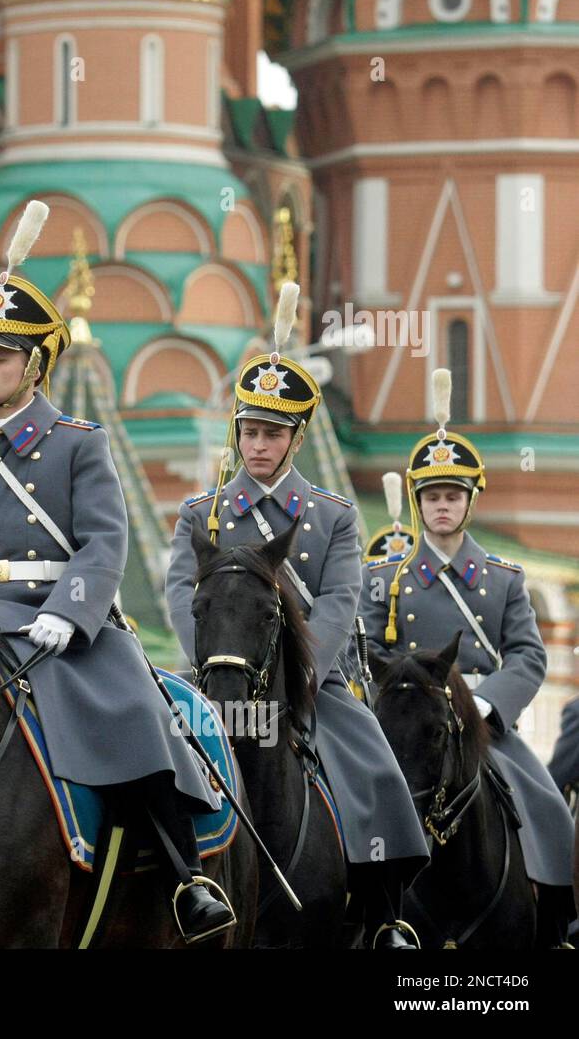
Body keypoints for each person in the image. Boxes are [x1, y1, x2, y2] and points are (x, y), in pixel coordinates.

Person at [0, 201, 235, 944]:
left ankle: (186, 878)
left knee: (139, 716)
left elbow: (104, 544)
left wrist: (71, 610)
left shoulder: (79, 443)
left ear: (35, 363)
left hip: (59, 627)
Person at [164, 284, 429, 949]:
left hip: (304, 680)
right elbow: (178, 591)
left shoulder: (334, 515)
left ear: (296, 436)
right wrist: (210, 655)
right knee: (154, 752)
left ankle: (382, 910)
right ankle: (172, 882)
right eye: (249, 431)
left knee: (374, 765)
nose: (258, 445)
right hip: (219, 671)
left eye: (272, 432)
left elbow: (342, 599)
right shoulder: (203, 513)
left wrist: (306, 669)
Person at [361, 369, 576, 948]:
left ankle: (555, 930)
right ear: (418, 502)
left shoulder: (503, 579)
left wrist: (484, 702)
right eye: (432, 497)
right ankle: (364, 919)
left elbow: (528, 656)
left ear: (470, 500)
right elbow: (364, 651)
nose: (441, 507)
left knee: (549, 808)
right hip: (407, 722)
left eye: (452, 496)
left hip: (482, 723)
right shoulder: (384, 579)